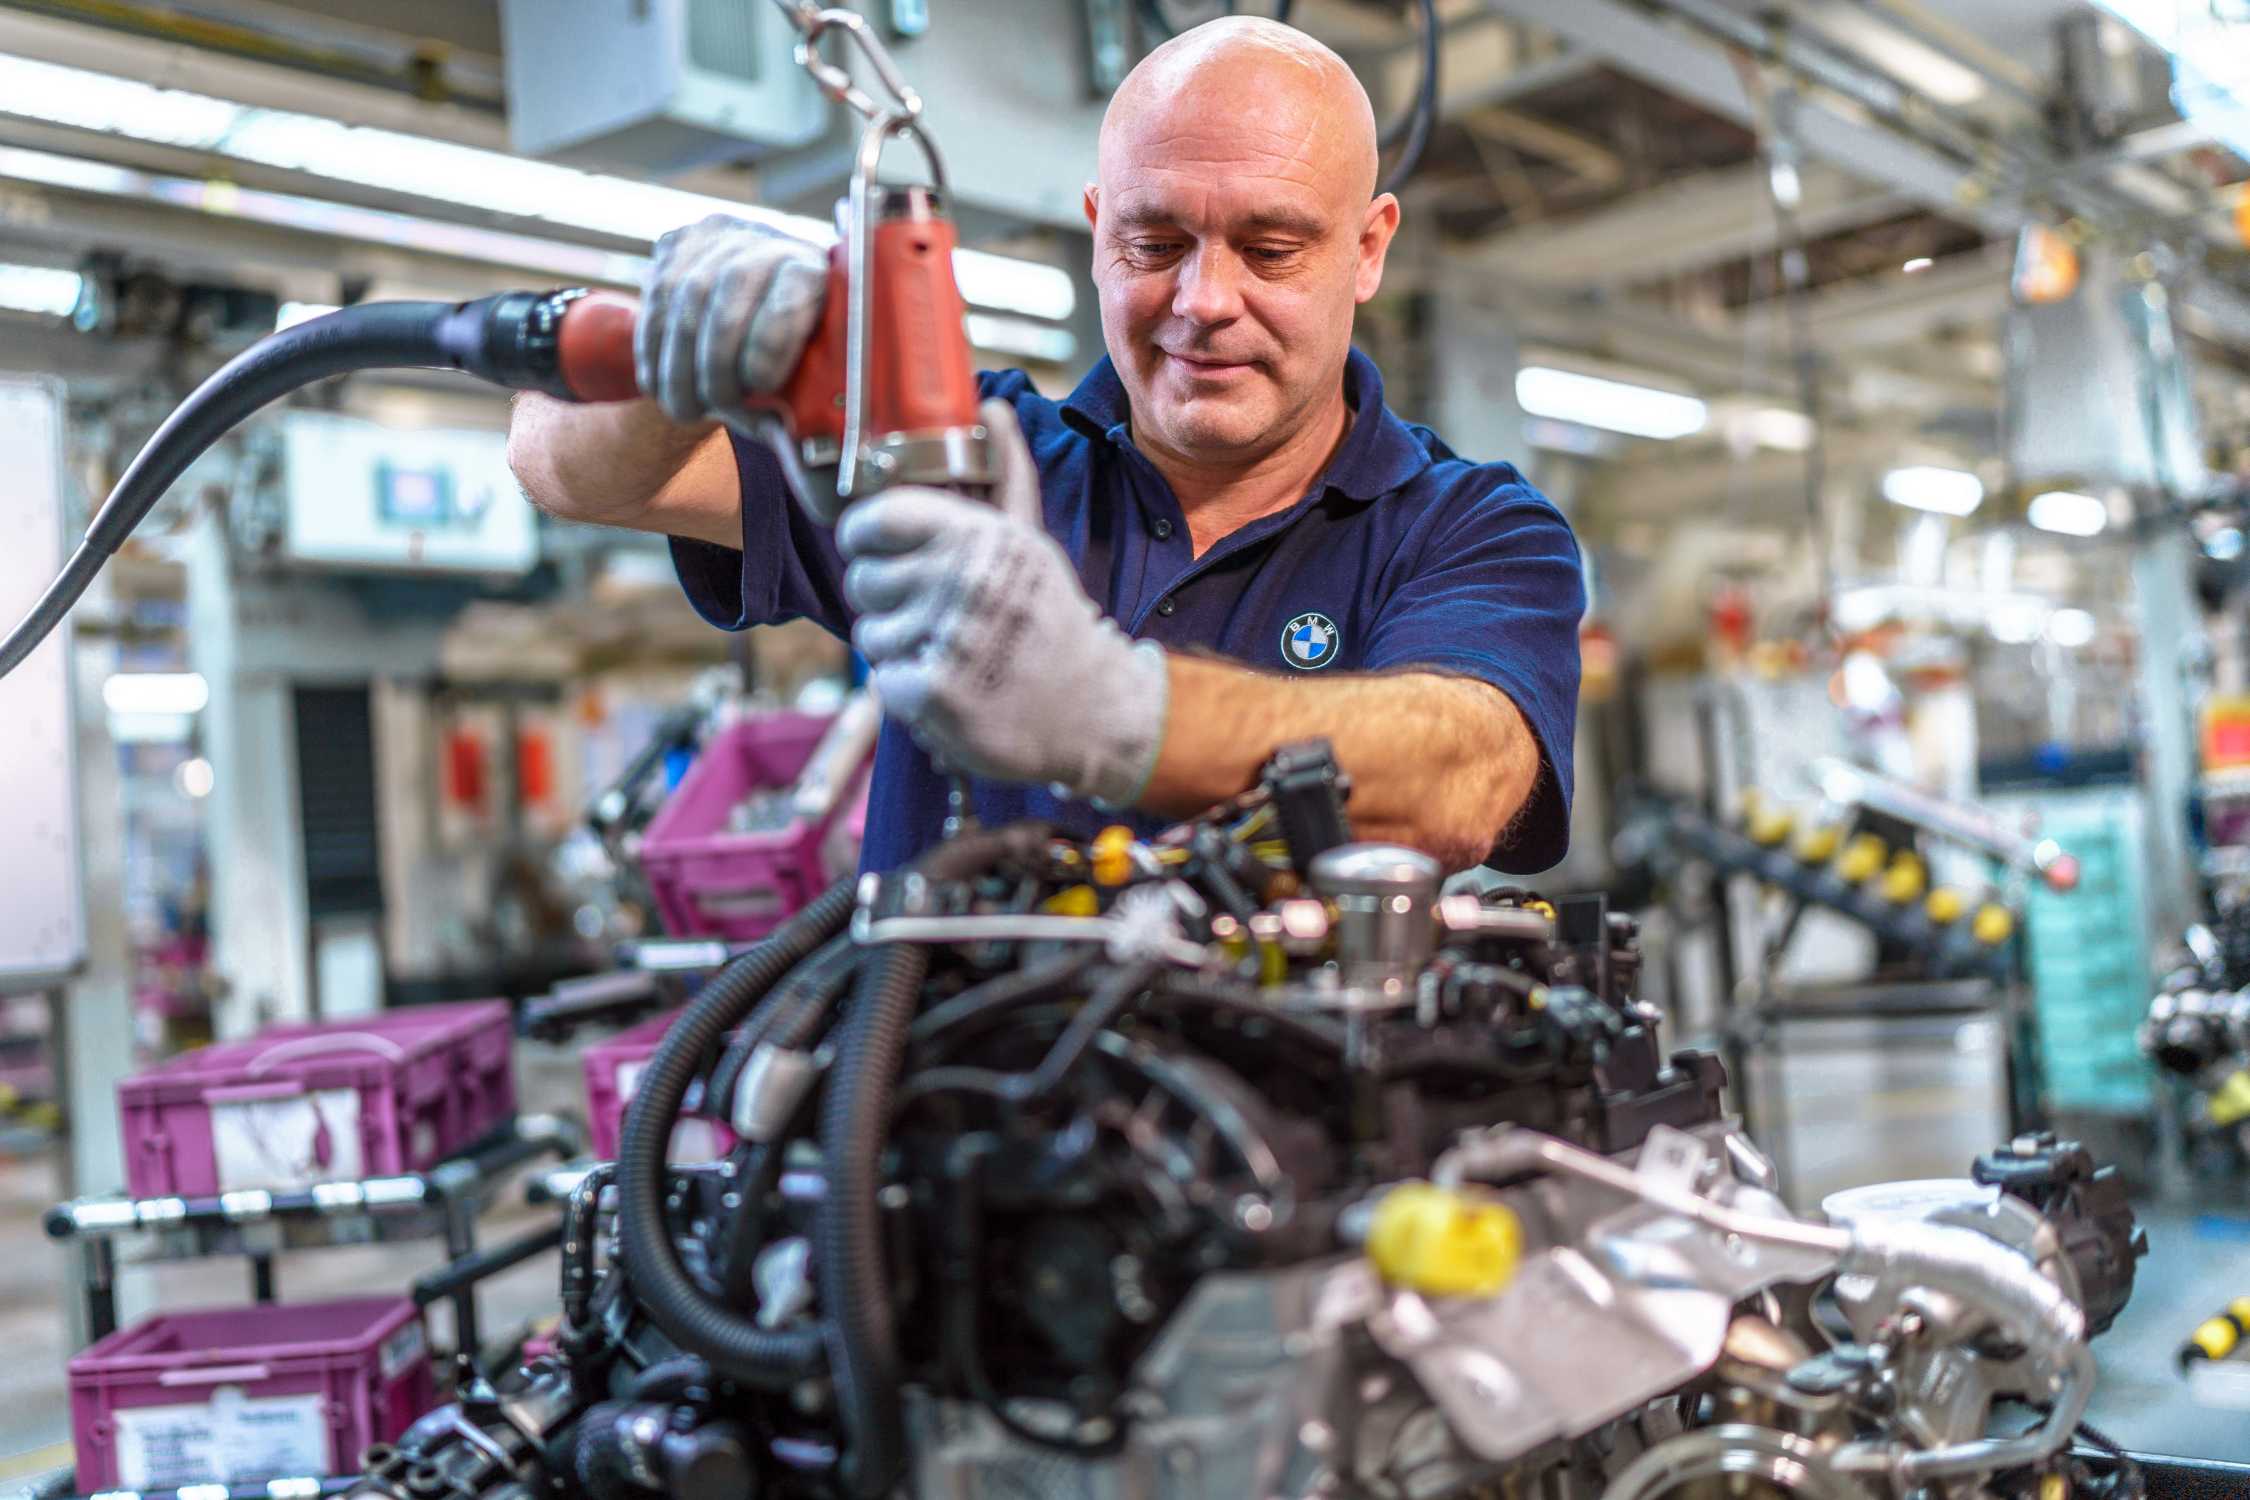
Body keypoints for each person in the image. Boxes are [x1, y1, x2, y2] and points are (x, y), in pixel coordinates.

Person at [510, 16, 1583, 875]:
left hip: (1294, 1133)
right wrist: (665, 345)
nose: (1206, 301)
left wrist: (1116, 711)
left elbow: (1467, 770)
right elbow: (557, 462)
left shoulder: (1469, 525)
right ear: (1096, 227)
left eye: (1271, 247)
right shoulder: (957, 458)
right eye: (1155, 242)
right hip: (944, 1115)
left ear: (1367, 248)